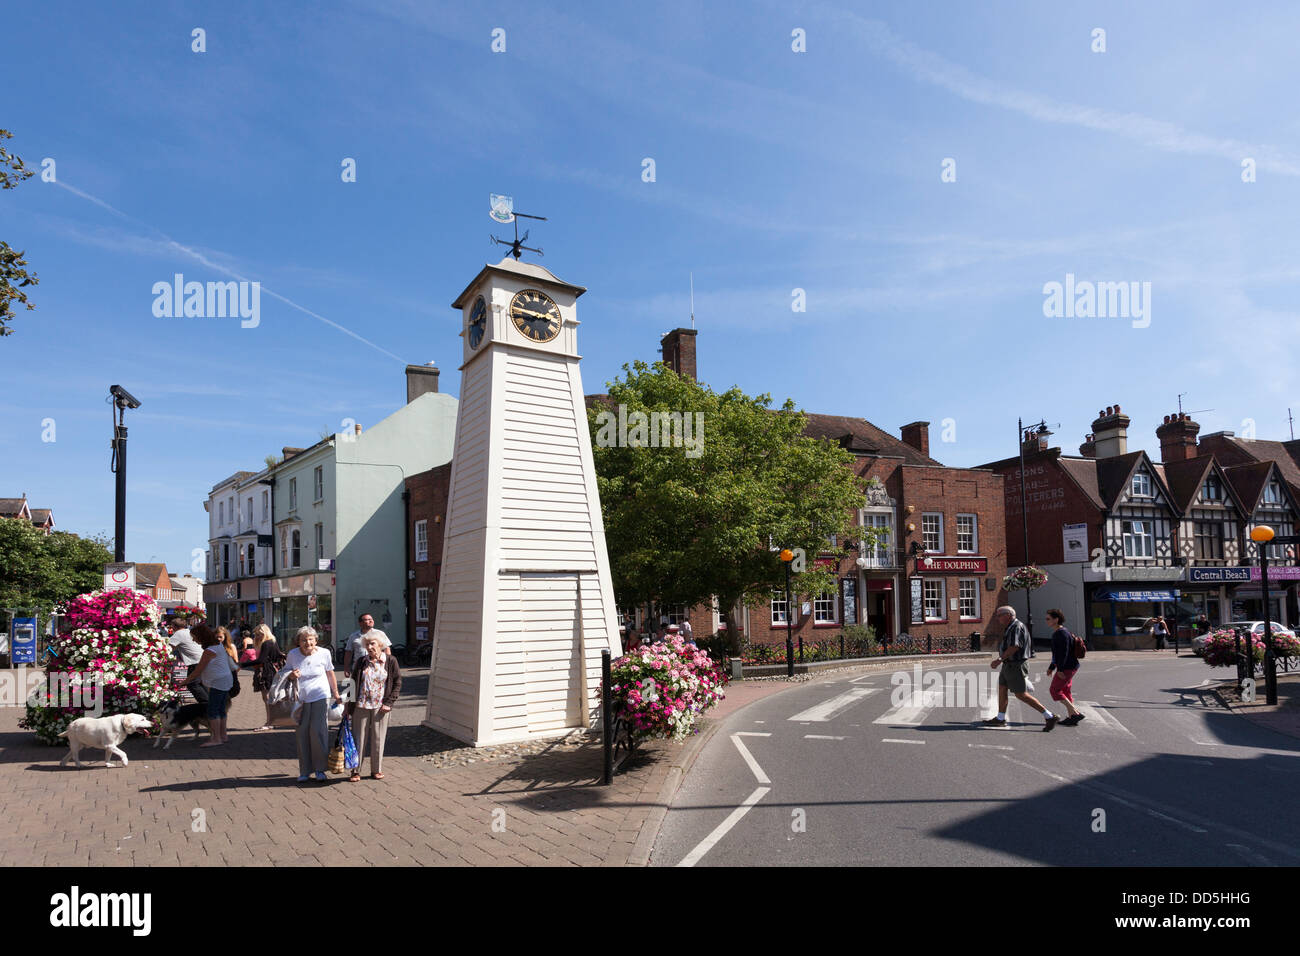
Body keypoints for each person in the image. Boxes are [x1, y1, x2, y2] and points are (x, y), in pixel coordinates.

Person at [982, 606, 1058, 731]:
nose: (998, 618)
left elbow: (1015, 646)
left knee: (1021, 694)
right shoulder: (1011, 626)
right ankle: (1000, 718)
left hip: (1016, 665)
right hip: (1009, 664)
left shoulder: (1016, 627)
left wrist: (999, 660)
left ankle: (1049, 716)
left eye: (1000, 615)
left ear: (1009, 615)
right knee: (1002, 689)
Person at [285, 626, 342, 783]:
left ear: (316, 640)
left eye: (310, 639)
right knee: (302, 732)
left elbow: (330, 673)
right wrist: (291, 675)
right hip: (300, 699)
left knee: (318, 732)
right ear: (298, 642)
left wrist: (336, 693)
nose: (307, 642)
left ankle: (320, 770)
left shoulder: (324, 653)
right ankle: (304, 771)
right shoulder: (292, 655)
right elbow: (284, 674)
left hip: (320, 695)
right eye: (303, 639)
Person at [347, 634, 402, 782]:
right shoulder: (361, 661)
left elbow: (397, 683)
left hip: (381, 706)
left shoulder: (390, 661)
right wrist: (348, 707)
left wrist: (389, 703)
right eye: (367, 645)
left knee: (378, 739)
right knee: (359, 739)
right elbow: (352, 683)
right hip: (361, 705)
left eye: (373, 644)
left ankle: (376, 770)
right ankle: (355, 771)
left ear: (380, 645)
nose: (370, 647)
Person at [180, 623, 236, 746]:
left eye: (194, 637)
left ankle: (216, 738)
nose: (194, 640)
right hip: (224, 680)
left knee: (212, 711)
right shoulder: (218, 645)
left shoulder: (209, 651)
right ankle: (223, 735)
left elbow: (198, 670)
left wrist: (185, 681)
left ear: (201, 636)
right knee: (221, 709)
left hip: (217, 682)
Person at [1044, 609, 1084, 726]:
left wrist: (1060, 669)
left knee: (1054, 690)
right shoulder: (1062, 632)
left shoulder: (1061, 634)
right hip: (1070, 666)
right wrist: (1051, 667)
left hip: (1067, 668)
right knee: (1065, 691)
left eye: (1048, 619)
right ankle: (1072, 717)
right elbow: (1057, 654)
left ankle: (1075, 713)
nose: (1046, 621)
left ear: (1056, 620)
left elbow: (1063, 653)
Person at [251, 625, 285, 731]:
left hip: (266, 672)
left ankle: (270, 721)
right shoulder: (272, 641)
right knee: (270, 698)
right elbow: (279, 655)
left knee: (267, 698)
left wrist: (243, 664)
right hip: (270, 671)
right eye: (256, 634)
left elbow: (261, 660)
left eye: (259, 634)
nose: (257, 636)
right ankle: (273, 720)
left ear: (264, 633)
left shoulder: (266, 643)